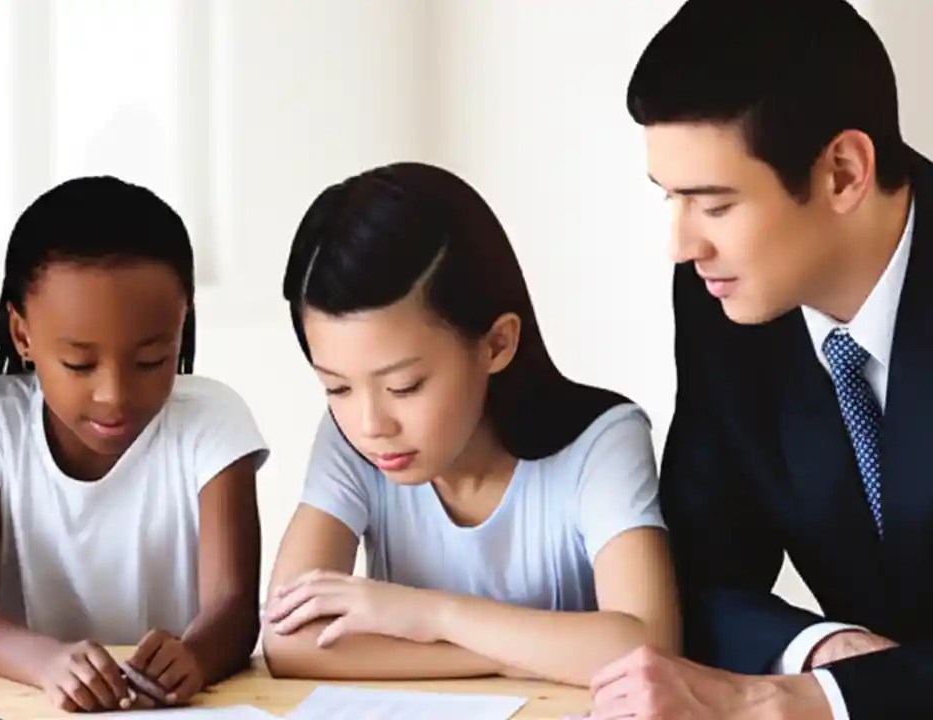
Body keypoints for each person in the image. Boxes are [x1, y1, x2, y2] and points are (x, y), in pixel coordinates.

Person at [587, 1, 933, 718]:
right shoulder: (723, 303)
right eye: (670, 198)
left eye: (713, 205)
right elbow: (699, 571)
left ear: (843, 171)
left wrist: (827, 699)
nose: (681, 244)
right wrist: (819, 650)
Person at [261, 162, 679, 685]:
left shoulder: (602, 442)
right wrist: (508, 657)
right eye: (337, 388)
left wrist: (430, 615)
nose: (371, 424)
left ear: (496, 343)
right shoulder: (349, 442)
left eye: (404, 386)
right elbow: (288, 640)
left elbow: (648, 646)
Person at [0, 177, 268, 713]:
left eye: (151, 361)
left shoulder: (213, 422)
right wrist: (47, 663)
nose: (114, 396)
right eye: (79, 364)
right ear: (22, 335)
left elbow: (233, 606)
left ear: (181, 328)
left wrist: (197, 657)